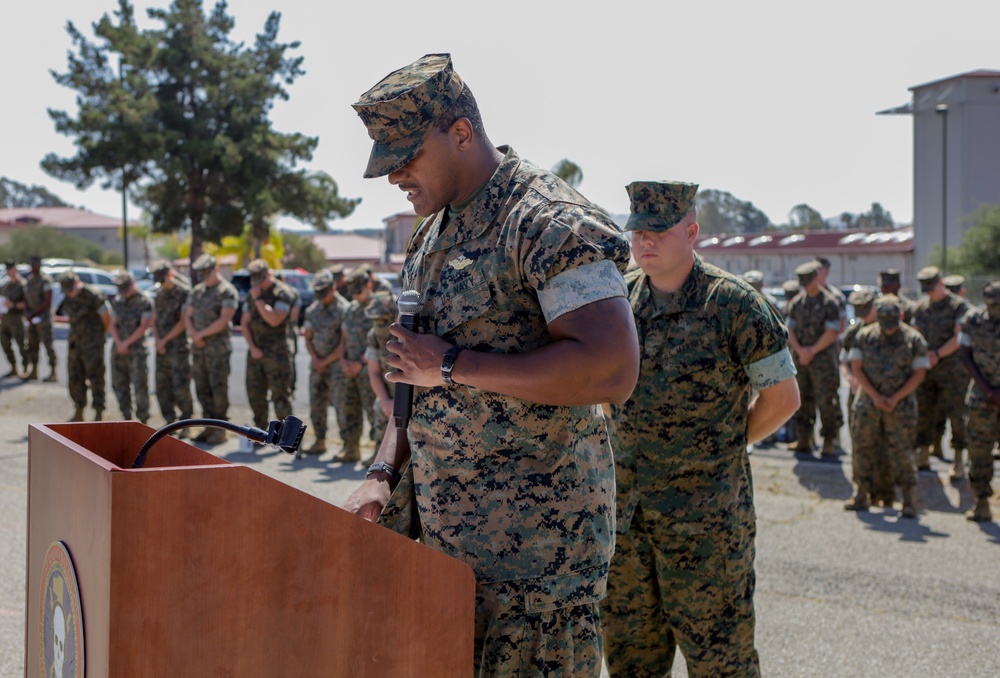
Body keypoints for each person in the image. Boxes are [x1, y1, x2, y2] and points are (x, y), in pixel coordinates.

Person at [343, 53, 639, 677]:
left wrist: (453, 363)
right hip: (448, 552)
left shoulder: (546, 223)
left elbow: (611, 368)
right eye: (385, 161)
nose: (394, 174)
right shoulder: (431, 232)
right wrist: (380, 473)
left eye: (405, 155)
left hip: (538, 561)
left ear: (460, 133)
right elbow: (410, 381)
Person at [600, 181, 799, 677]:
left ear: (691, 231)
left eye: (658, 231)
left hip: (707, 527)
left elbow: (782, 398)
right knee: (631, 662)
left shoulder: (735, 304)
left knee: (721, 663)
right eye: (637, 231)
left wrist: (725, 443)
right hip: (629, 523)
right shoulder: (617, 301)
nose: (644, 241)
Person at [845, 296, 928, 517]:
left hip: (901, 405)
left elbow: (919, 373)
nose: (888, 325)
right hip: (868, 402)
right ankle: (861, 493)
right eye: (883, 319)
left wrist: (895, 397)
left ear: (900, 316)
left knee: (902, 450)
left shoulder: (913, 339)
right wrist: (875, 395)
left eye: (892, 319)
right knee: (863, 447)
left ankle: (908, 499)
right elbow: (856, 367)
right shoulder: (864, 336)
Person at [911, 266, 971, 472]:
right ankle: (924, 452)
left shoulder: (958, 306)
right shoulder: (921, 308)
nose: (929, 293)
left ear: (941, 284)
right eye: (926, 290)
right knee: (925, 411)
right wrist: (926, 354)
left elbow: (958, 338)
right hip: (928, 368)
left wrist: (937, 355)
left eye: (932, 288)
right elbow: (916, 334)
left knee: (957, 413)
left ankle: (958, 457)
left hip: (952, 369)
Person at [840, 289, 895, 506]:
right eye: (859, 310)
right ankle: (861, 490)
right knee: (861, 442)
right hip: (861, 396)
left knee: (886, 443)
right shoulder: (854, 332)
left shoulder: (889, 329)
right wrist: (851, 378)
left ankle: (885, 493)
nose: (864, 315)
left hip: (887, 395)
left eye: (866, 310)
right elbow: (844, 360)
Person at [786, 261, 843, 455]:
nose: (806, 285)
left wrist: (811, 351)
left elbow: (833, 331)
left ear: (816, 278)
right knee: (801, 399)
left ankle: (828, 440)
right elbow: (789, 330)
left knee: (826, 400)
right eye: (803, 282)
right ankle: (804, 438)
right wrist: (801, 351)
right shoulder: (796, 303)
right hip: (801, 361)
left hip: (823, 361)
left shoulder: (829, 302)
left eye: (808, 281)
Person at [957, 280, 1000, 521]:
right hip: (982, 396)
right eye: (992, 305)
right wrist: (987, 389)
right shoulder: (972, 320)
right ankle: (981, 502)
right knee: (979, 450)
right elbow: (965, 353)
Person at [184, 253, 238, 444]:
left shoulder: (227, 291)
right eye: (200, 273)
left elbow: (224, 320)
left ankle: (221, 430)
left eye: (206, 273)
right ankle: (208, 427)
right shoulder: (196, 291)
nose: (203, 277)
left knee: (218, 389)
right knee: (202, 388)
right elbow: (187, 316)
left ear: (215, 269)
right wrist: (193, 334)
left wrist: (201, 335)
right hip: (199, 350)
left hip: (217, 350)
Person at [241, 259, 296, 432]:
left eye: (260, 280)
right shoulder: (253, 294)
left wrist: (258, 299)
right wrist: (253, 347)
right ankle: (261, 432)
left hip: (277, 354)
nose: (257, 284)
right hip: (256, 353)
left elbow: (274, 319)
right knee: (255, 394)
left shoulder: (282, 293)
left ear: (269, 275)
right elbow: (245, 323)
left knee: (281, 397)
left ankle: (286, 437)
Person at [301, 270, 348, 455]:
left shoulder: (344, 309)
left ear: (333, 287)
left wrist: (326, 360)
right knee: (317, 403)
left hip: (336, 365)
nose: (321, 297)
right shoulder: (313, 310)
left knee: (341, 405)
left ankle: (348, 445)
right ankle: (319, 440)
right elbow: (307, 338)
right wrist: (316, 359)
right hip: (317, 364)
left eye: (324, 292)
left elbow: (344, 342)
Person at [335, 267, 378, 463]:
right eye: (352, 292)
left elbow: (380, 340)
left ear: (368, 286)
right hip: (350, 368)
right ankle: (351, 448)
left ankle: (378, 453)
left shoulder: (378, 307)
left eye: (358, 291)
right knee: (348, 409)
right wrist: (343, 360)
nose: (355, 296)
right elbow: (343, 337)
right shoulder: (350, 309)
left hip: (368, 369)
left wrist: (360, 362)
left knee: (373, 411)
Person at [57, 269, 111, 421]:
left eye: (71, 289)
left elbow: (107, 318)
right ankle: (79, 411)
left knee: (96, 379)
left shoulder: (93, 296)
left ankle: (98, 413)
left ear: (77, 283)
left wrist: (98, 337)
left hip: (92, 346)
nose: (70, 293)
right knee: (75, 378)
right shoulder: (68, 297)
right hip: (75, 345)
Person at [150, 260, 193, 432]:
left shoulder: (184, 293)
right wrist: (157, 340)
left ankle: (185, 423)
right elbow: (153, 319)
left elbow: (183, 322)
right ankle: (169, 422)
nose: (161, 283)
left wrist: (164, 340)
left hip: (178, 348)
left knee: (181, 385)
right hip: (162, 348)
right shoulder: (158, 295)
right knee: (162, 386)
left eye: (163, 279)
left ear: (171, 274)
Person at [108, 270, 153, 423]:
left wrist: (126, 343)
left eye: (126, 289)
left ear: (133, 284)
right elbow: (112, 324)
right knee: (119, 384)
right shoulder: (118, 301)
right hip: (118, 349)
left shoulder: (144, 301)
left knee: (140, 385)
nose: (124, 293)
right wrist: (119, 343)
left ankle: (143, 420)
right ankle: (126, 416)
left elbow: (144, 326)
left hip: (136, 350)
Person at [363, 290, 398, 466]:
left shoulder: (406, 335)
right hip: (387, 394)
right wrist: (385, 400)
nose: (380, 326)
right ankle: (379, 458)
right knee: (379, 408)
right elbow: (374, 372)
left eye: (384, 321)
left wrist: (397, 402)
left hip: (409, 394)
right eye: (376, 321)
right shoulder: (373, 336)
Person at [23, 256, 59, 382]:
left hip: (43, 319)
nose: (33, 267)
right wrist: (27, 312)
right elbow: (26, 298)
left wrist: (32, 312)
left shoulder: (45, 281)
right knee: (32, 345)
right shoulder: (30, 280)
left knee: (48, 345)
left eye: (35, 265)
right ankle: (34, 371)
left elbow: (47, 301)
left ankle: (53, 372)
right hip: (32, 319)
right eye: (31, 265)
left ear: (39, 265)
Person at [0, 260, 28, 378]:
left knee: (21, 344)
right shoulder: (6, 285)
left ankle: (26, 368)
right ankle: (14, 367)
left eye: (12, 268)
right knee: (5, 343)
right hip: (5, 318)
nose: (10, 271)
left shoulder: (22, 284)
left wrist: (14, 305)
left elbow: (28, 303)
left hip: (17, 318)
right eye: (8, 269)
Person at [815, 256, 847, 330]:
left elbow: (842, 323)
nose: (815, 273)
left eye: (819, 269)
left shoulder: (836, 296)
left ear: (827, 273)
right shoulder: (804, 296)